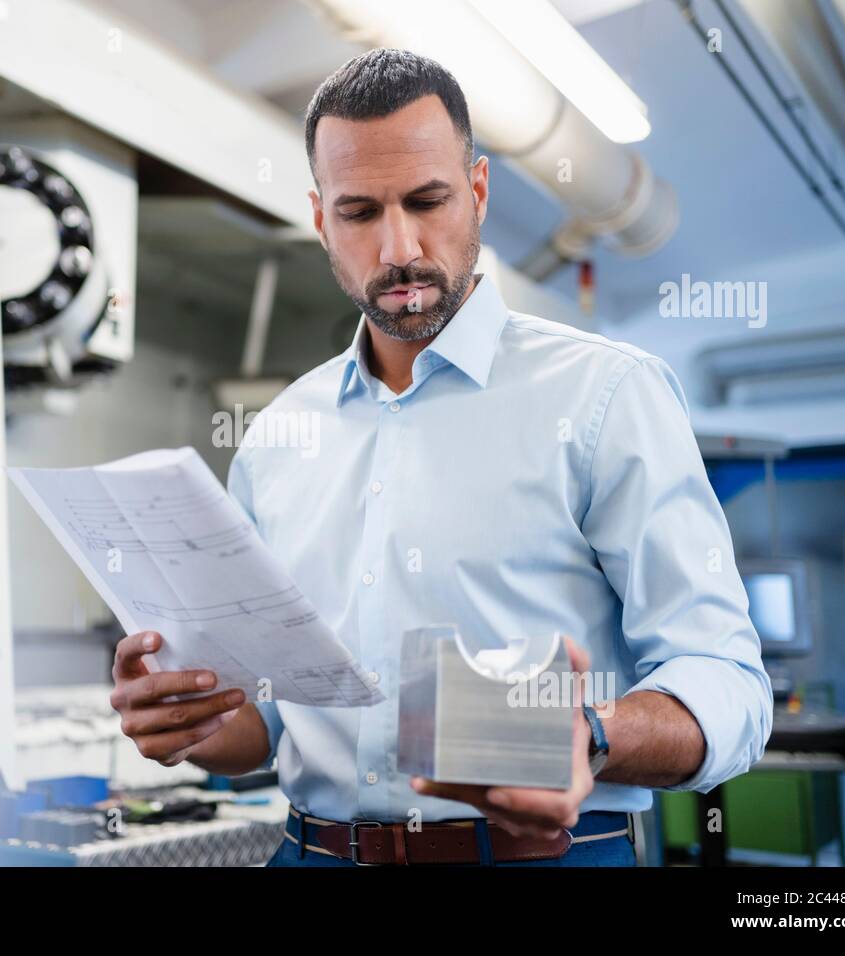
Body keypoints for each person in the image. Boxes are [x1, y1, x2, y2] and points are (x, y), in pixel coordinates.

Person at [108, 48, 772, 867]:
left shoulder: (607, 396)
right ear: (320, 220)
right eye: (359, 213)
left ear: (480, 191)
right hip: (312, 853)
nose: (398, 249)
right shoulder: (280, 436)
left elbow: (727, 679)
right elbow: (267, 725)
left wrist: (591, 735)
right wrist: (192, 722)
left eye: (428, 200)